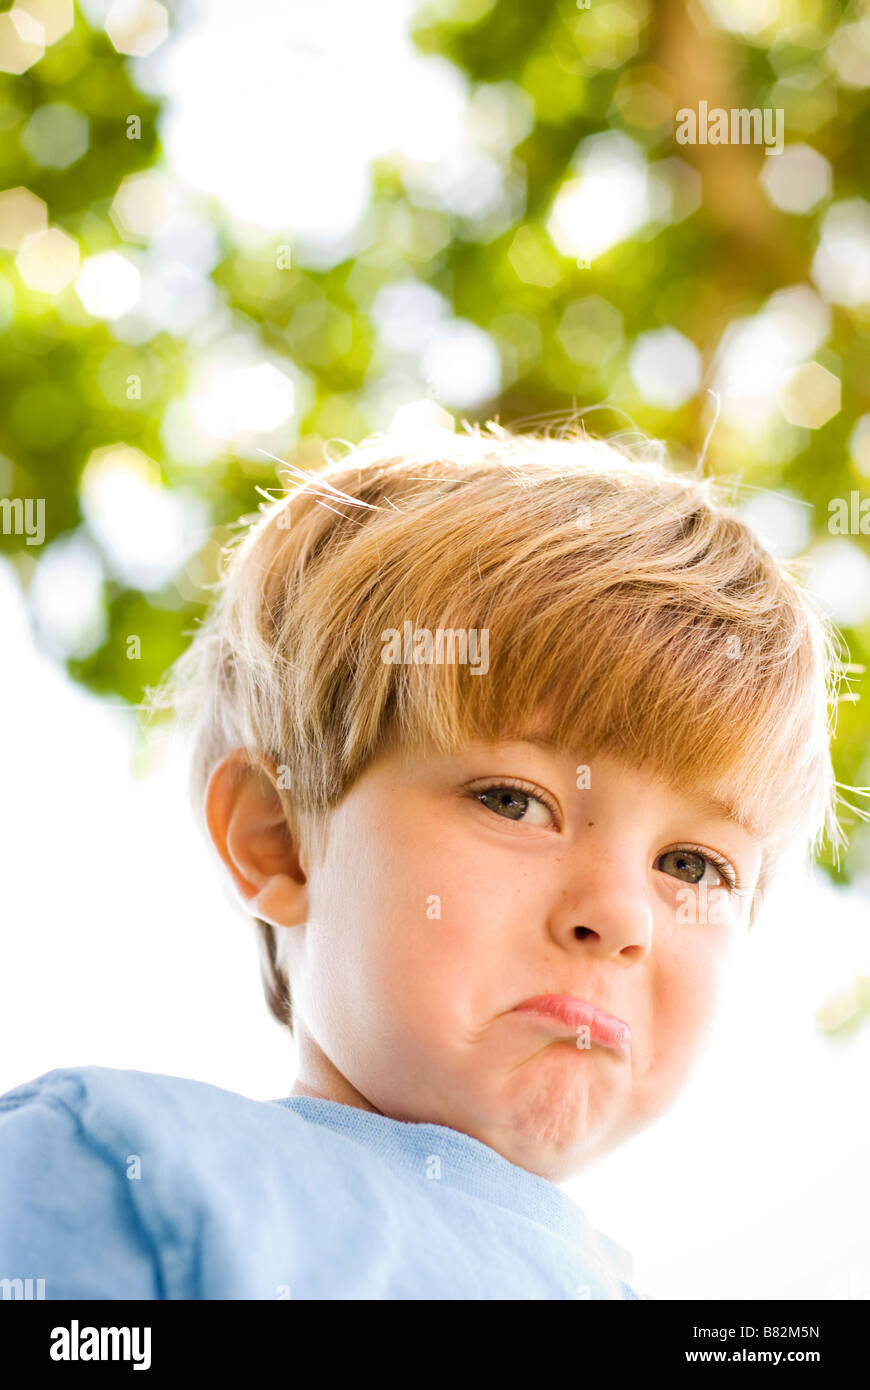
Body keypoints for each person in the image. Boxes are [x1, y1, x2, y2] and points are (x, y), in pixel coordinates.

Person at [0, 423, 842, 1299]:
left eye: (695, 865)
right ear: (277, 841)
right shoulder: (126, 1171)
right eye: (513, 801)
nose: (621, 914)